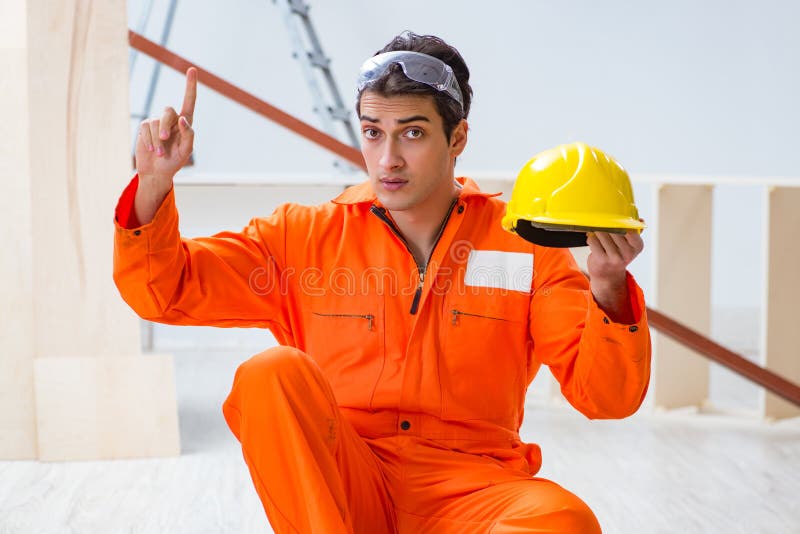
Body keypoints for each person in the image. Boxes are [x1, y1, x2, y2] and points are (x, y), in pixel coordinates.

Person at [114, 31, 650, 534]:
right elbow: (166, 289)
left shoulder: (523, 247)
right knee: (270, 373)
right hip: (344, 486)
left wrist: (607, 289)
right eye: (373, 132)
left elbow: (607, 398)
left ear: (457, 136)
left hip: (471, 489)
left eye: (412, 133)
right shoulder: (303, 236)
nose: (387, 159)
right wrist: (154, 186)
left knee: (563, 521)